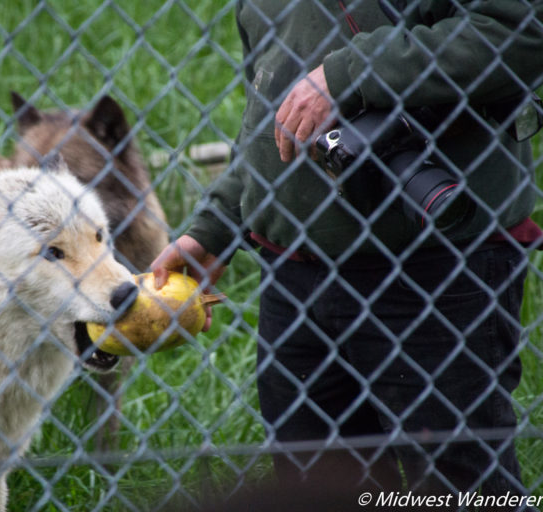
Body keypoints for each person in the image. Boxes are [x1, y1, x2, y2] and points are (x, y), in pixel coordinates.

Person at [152, 0, 543, 502]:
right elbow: (271, 105)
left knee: (460, 489)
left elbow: (522, 29)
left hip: (437, 265)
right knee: (317, 488)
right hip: (294, 275)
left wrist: (350, 73)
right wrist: (217, 225)